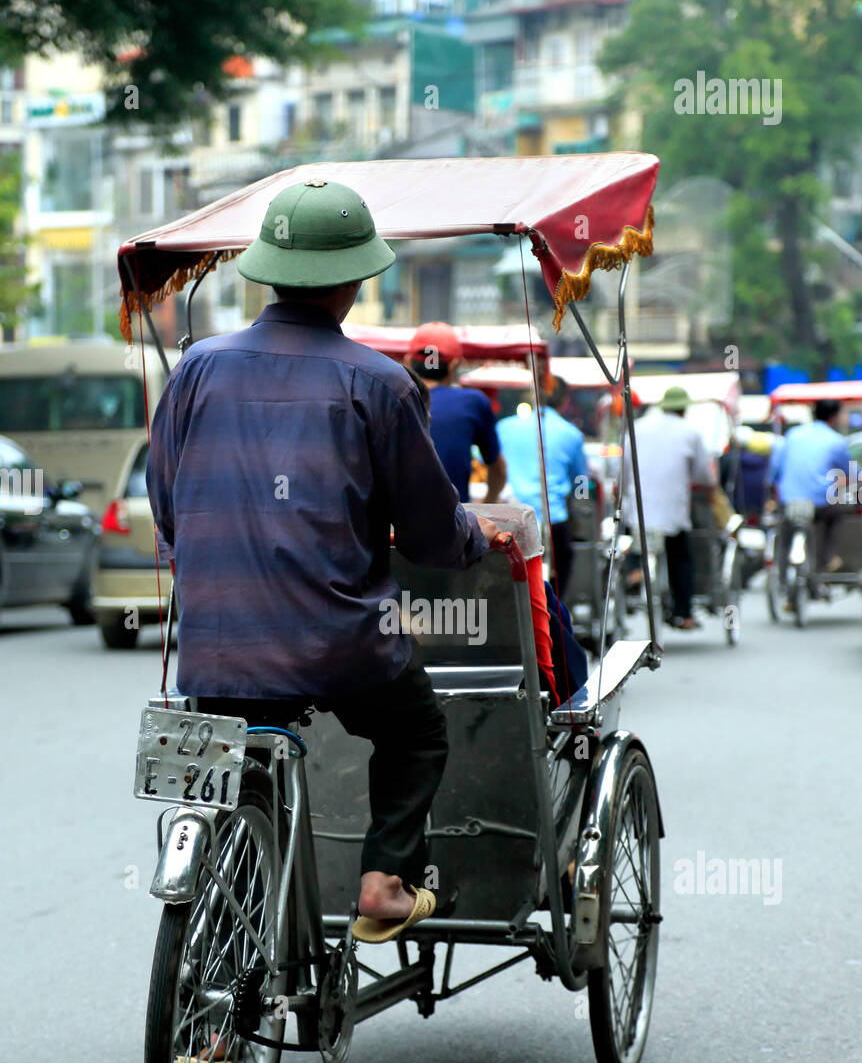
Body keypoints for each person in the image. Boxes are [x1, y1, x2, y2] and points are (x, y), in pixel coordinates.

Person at [146, 179, 500, 954]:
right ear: (354, 280)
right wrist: (475, 538)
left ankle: (215, 1016)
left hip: (215, 644)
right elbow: (436, 534)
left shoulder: (198, 368)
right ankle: (383, 882)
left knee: (238, 788)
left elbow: (165, 504)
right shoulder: (377, 380)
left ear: (269, 271)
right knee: (415, 734)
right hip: (340, 645)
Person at [620, 385, 716, 631]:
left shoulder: (637, 429)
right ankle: (684, 614)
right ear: (683, 409)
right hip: (673, 511)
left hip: (639, 511)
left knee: (633, 539)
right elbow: (704, 476)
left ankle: (634, 571)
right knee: (680, 559)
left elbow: (622, 472)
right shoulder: (690, 433)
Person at [494, 375, 588, 595]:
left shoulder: (505, 428)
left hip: (509, 520)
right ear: (565, 400)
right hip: (553, 520)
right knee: (557, 582)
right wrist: (582, 507)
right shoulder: (571, 434)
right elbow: (580, 481)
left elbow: (484, 460)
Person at [406, 321, 507, 505]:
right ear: (454, 364)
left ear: (407, 361)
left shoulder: (388, 397)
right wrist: (487, 503)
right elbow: (498, 471)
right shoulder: (473, 401)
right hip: (453, 523)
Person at [768, 398, 851, 590]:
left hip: (791, 501)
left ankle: (784, 584)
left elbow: (775, 471)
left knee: (785, 536)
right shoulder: (836, 441)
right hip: (821, 503)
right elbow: (851, 473)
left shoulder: (792, 435)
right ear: (834, 416)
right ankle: (828, 557)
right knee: (838, 512)